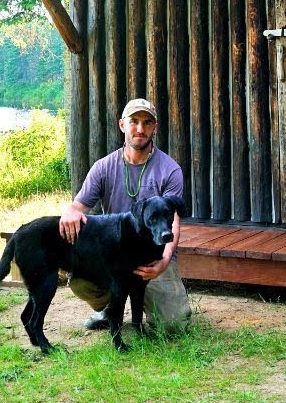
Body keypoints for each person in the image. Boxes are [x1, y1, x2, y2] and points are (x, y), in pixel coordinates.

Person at [60, 97, 192, 332]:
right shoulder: (103, 167)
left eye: (147, 122)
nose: (140, 129)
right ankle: (111, 307)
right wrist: (69, 212)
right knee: (79, 280)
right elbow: (77, 208)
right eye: (134, 121)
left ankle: (151, 305)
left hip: (153, 256)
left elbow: (174, 223)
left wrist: (163, 262)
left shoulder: (170, 169)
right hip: (114, 255)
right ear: (122, 125)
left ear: (154, 127)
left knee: (173, 326)